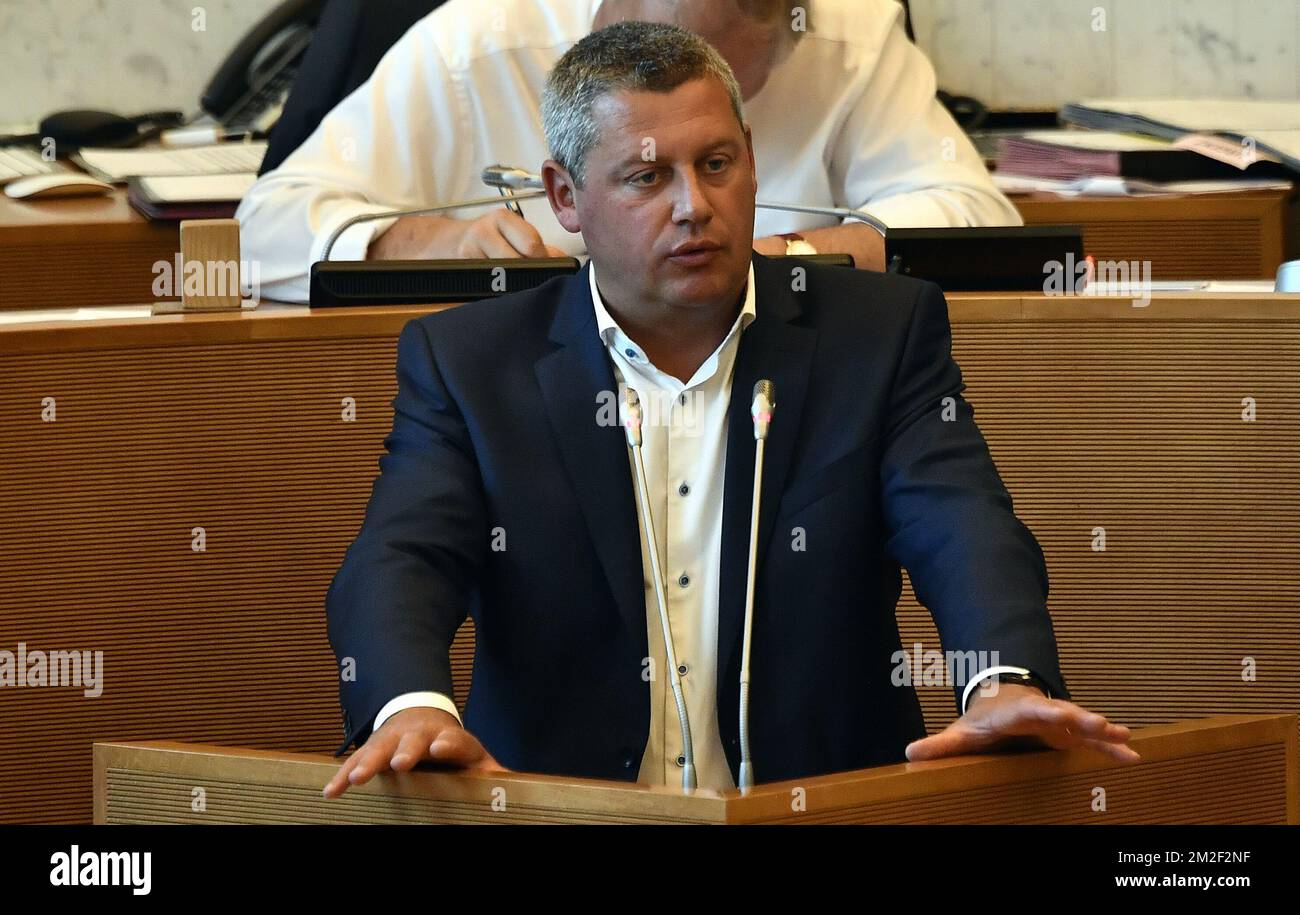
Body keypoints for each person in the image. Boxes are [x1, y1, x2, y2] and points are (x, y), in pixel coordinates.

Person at [323, 20, 1136, 798]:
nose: (693, 206)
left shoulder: (877, 335)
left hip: (823, 808)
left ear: (752, 160)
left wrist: (1000, 682)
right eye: (647, 177)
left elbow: (963, 525)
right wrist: (412, 706)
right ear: (564, 197)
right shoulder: (471, 363)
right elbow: (399, 558)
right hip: (565, 810)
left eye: (716, 164)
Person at [237, 0, 1023, 303]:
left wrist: (782, 257)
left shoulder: (841, 35)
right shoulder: (474, 47)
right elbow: (258, 231)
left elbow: (979, 224)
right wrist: (427, 241)